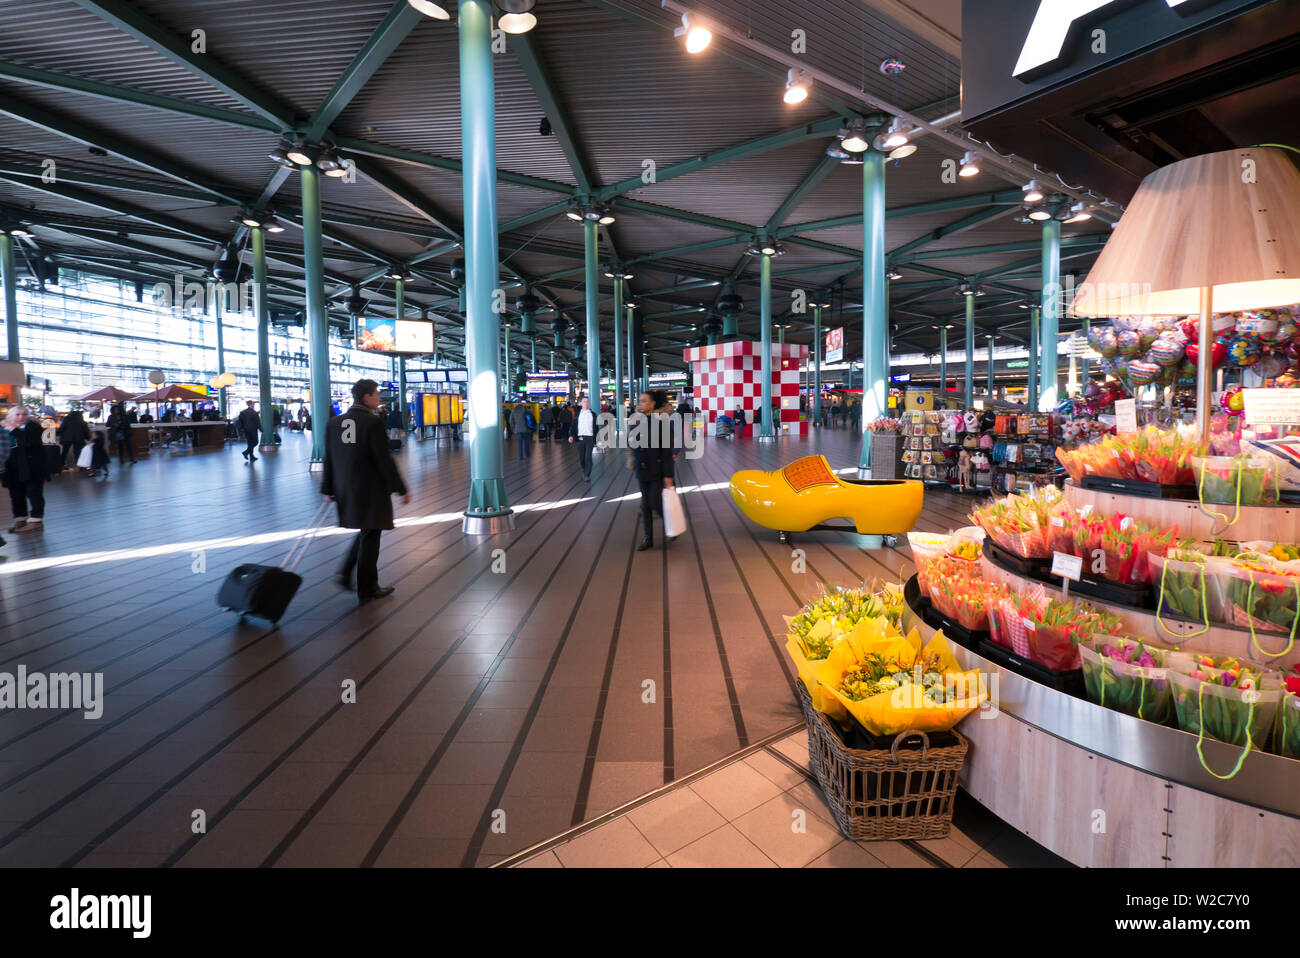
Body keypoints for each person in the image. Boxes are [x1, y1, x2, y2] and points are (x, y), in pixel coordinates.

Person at [321, 379, 410, 604]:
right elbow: (383, 460)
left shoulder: (334, 422)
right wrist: (401, 488)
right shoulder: (372, 423)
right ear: (366, 397)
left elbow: (329, 458)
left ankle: (347, 573)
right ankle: (367, 587)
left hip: (344, 487)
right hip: (370, 488)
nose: (379, 398)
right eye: (376, 394)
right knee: (371, 534)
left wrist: (327, 488)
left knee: (367, 531)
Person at [633, 390, 674, 551]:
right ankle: (648, 538)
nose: (640, 403)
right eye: (640, 401)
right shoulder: (637, 421)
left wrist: (668, 475)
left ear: (652, 404)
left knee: (653, 502)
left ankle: (672, 526)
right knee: (645, 506)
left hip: (657, 470)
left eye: (644, 401)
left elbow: (666, 451)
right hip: (642, 469)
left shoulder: (661, 423)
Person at [3, 405, 49, 532]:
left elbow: (29, 442)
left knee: (34, 492)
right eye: (17, 415)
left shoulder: (33, 428)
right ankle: (20, 519)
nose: (21, 417)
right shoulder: (4, 429)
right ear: (11, 416)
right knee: (16, 493)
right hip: (11, 467)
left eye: (23, 414)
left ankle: (35, 520)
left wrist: (13, 429)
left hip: (31, 467)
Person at [569, 395, 596, 481]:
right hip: (580, 438)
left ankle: (587, 474)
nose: (586, 403)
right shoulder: (577, 414)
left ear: (589, 403)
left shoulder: (593, 414)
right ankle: (584, 470)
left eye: (587, 402)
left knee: (588, 457)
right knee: (582, 457)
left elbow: (596, 427)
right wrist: (571, 435)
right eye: (584, 401)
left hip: (590, 437)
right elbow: (573, 426)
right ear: (581, 403)